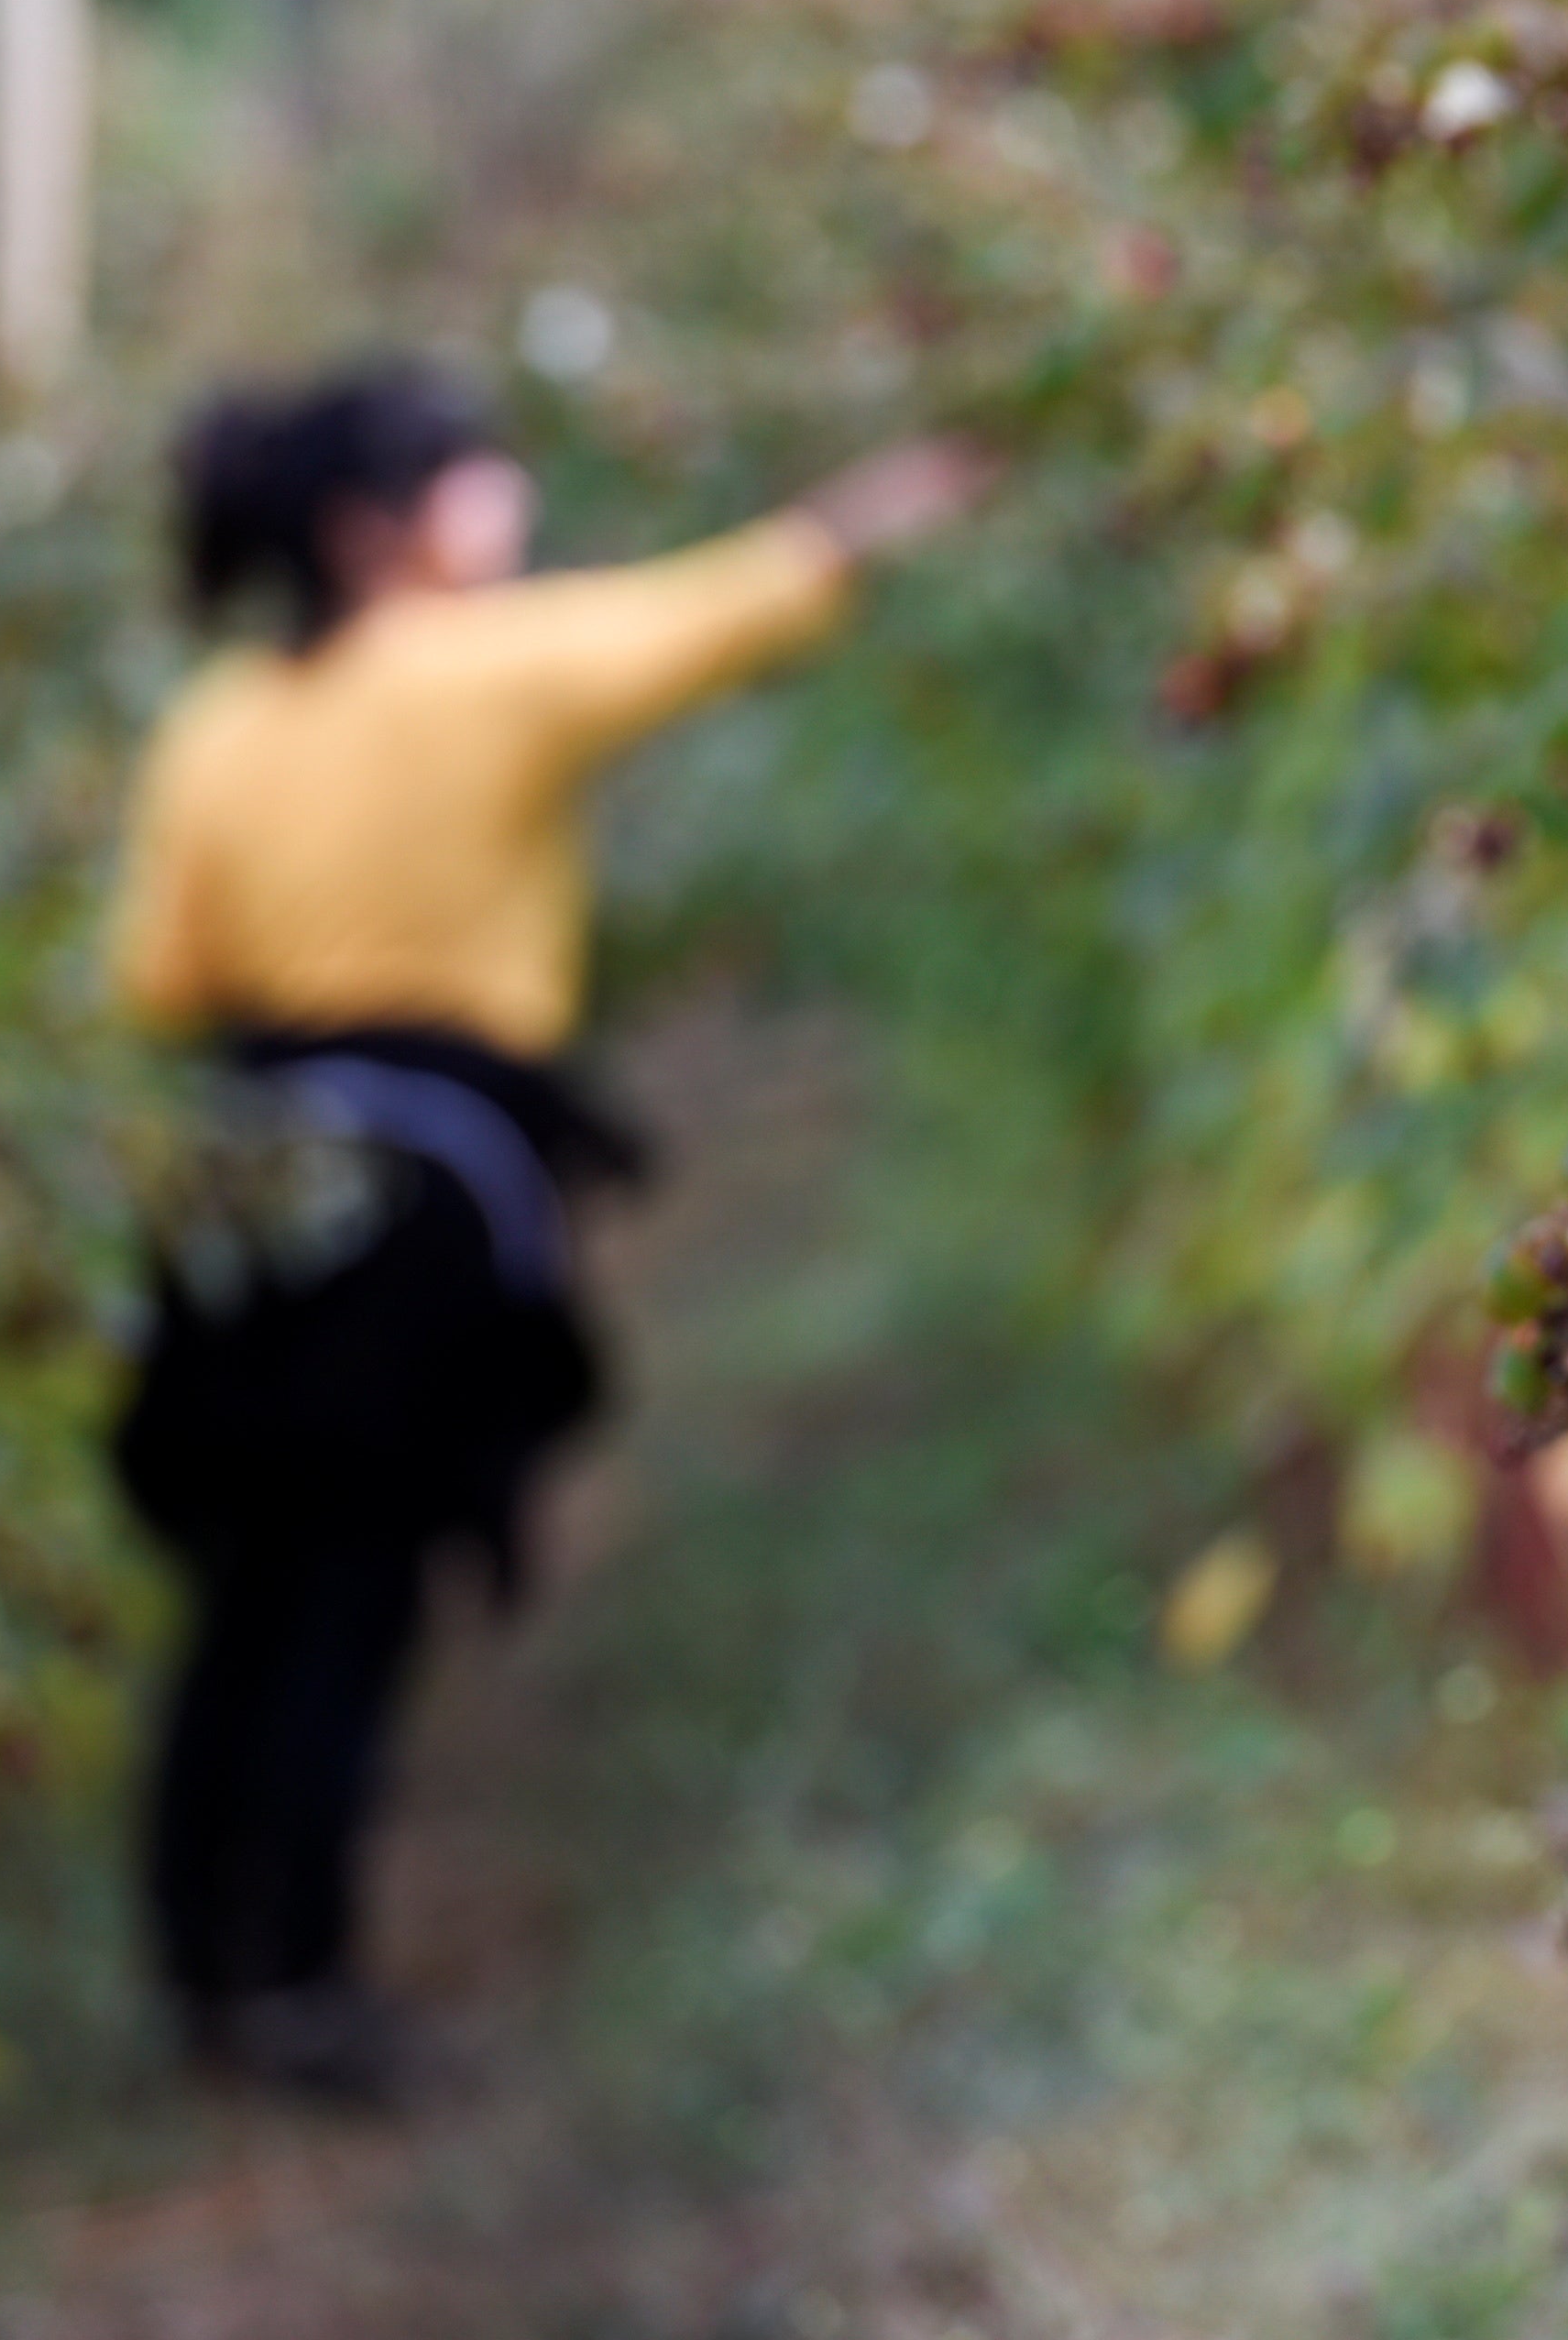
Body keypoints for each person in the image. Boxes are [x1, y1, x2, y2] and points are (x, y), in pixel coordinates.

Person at [101, 359, 981, 2104]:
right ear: (377, 530)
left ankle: (211, 1971)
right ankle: (306, 1987)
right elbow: (722, 608)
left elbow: (161, 975)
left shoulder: (218, 720)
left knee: (244, 1592)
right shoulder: (480, 674)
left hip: (235, 1176)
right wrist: (900, 500)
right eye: (467, 477)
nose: (503, 501)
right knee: (353, 1589)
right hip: (421, 1190)